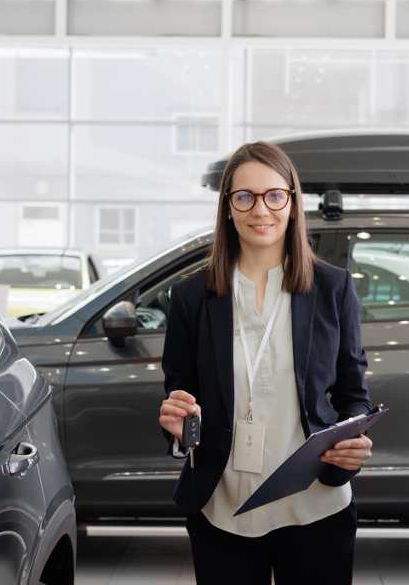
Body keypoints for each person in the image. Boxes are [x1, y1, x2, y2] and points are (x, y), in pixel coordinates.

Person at [159, 141, 372, 585]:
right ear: (228, 207)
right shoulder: (192, 298)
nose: (261, 210)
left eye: (275, 195)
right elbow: (179, 398)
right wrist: (177, 428)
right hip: (224, 506)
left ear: (292, 204)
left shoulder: (333, 288)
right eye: (245, 197)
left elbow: (353, 396)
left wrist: (355, 441)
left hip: (316, 505)